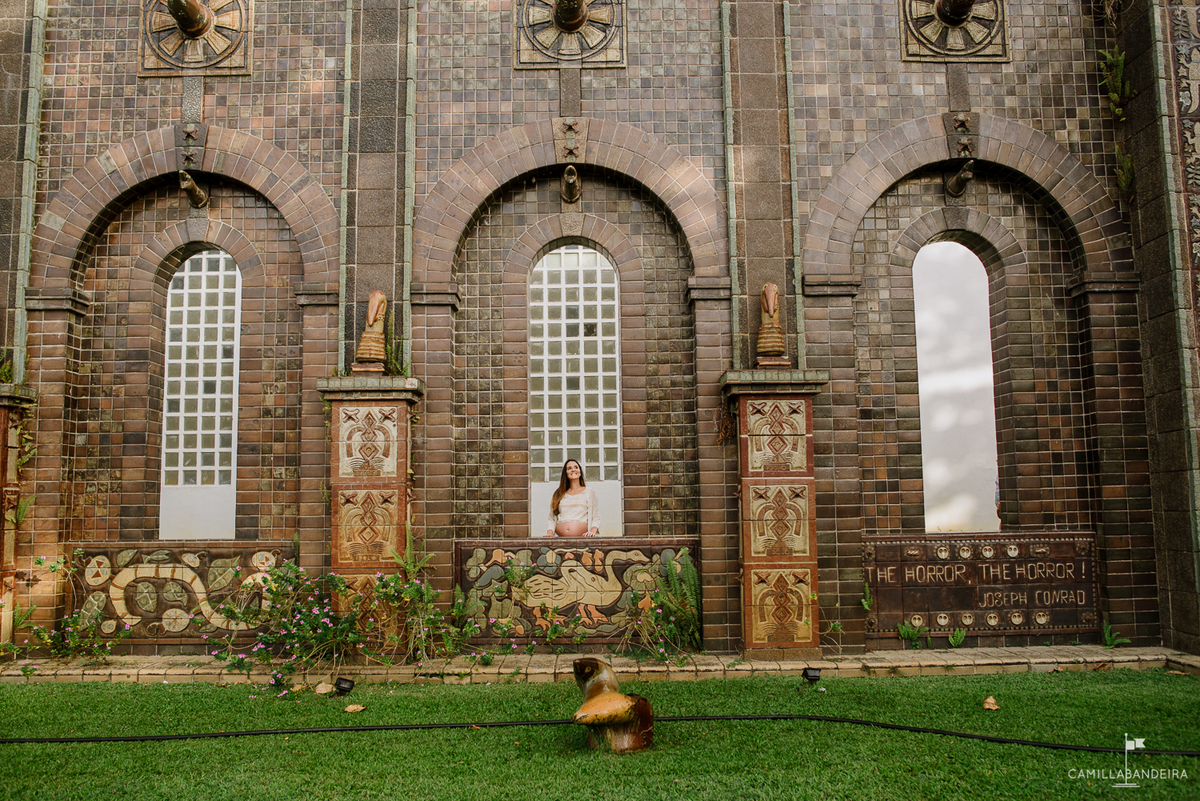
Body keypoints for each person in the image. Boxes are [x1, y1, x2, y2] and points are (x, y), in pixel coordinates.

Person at [547, 459, 600, 537]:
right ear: (565, 473)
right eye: (569, 468)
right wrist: (550, 533)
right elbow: (551, 518)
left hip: (583, 541)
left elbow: (596, 516)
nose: (573, 470)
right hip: (560, 541)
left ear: (580, 472)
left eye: (576, 467)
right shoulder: (558, 493)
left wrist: (592, 531)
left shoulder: (589, 492)